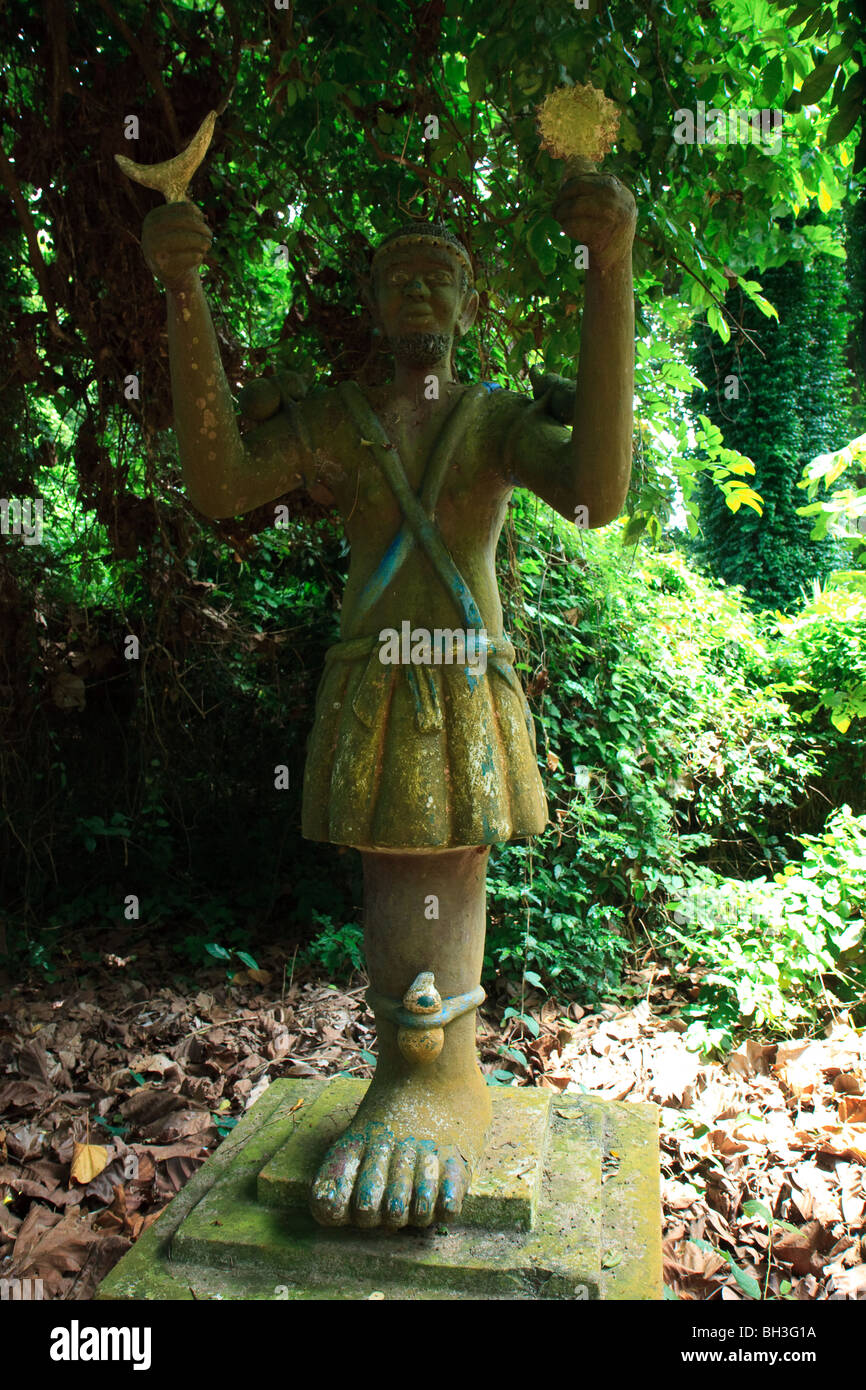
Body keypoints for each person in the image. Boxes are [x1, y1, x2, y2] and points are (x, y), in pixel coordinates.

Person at [140, 168, 635, 1228]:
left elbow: (596, 492)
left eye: (440, 275)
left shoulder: (496, 422)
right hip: (375, 674)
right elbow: (221, 481)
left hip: (460, 672)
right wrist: (185, 292)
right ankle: (412, 1076)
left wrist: (611, 274)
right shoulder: (335, 421)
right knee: (398, 850)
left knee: (449, 849)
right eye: (398, 276)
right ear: (372, 302)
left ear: (468, 304)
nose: (418, 290)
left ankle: (435, 1077)